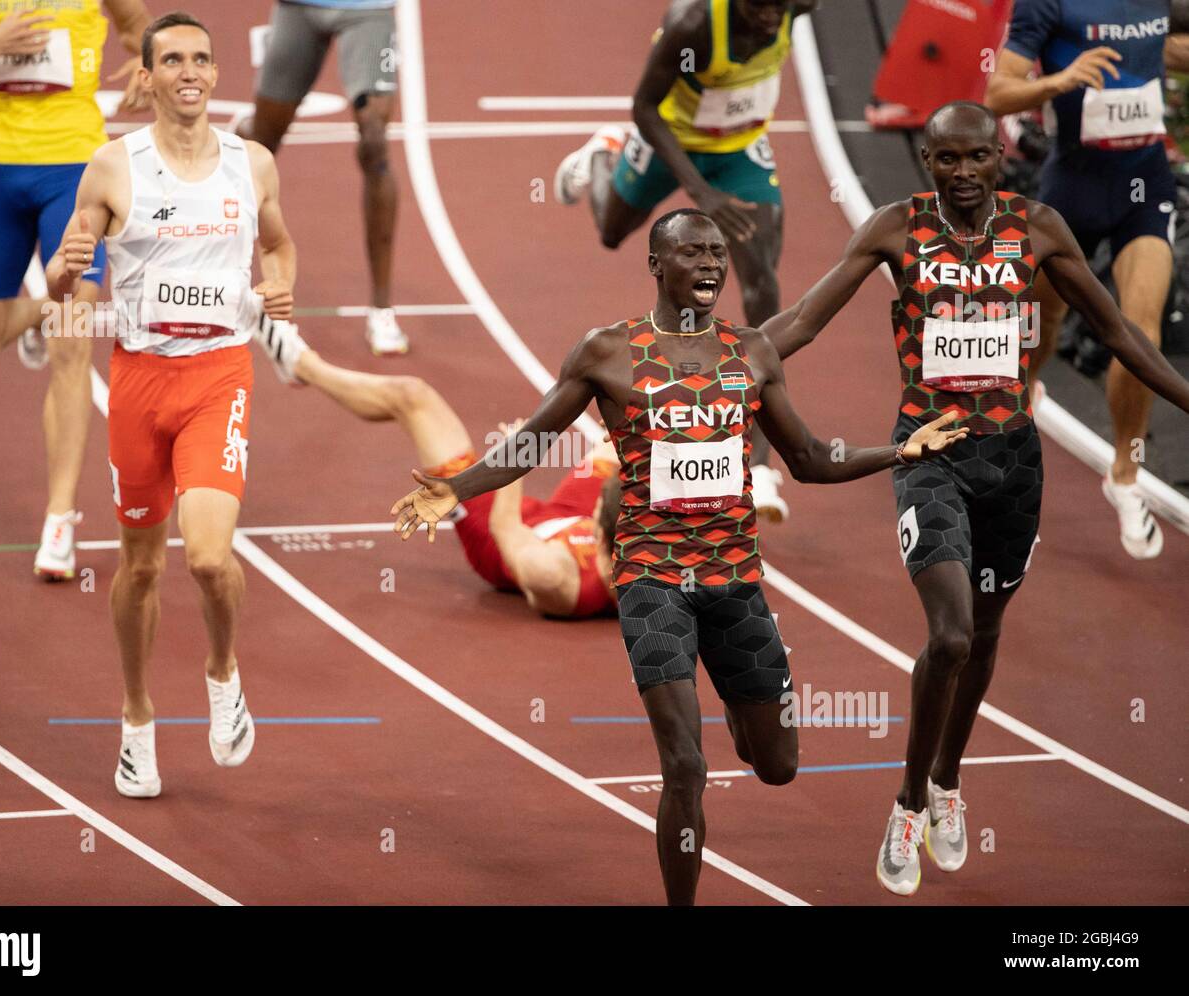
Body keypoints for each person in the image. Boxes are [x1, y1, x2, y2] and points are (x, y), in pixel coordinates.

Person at [390, 208, 967, 905]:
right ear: (656, 266)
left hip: (735, 581)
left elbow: (811, 460)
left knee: (776, 763)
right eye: (693, 252)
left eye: (717, 253)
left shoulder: (752, 352)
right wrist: (455, 488)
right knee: (686, 767)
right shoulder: (607, 352)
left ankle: (739, 701)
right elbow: (533, 441)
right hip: (651, 580)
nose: (711, 264)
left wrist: (900, 451)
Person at [760, 101, 1189, 896]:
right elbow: (806, 320)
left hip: (1014, 465)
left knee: (984, 633)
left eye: (977, 157)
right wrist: (726, 363)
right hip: (930, 456)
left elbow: (1120, 333)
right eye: (947, 158)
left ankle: (949, 779)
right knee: (950, 634)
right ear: (926, 160)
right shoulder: (896, 228)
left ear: (1001, 156)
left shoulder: (1039, 228)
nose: (963, 173)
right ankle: (908, 801)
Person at [45, 11, 298, 798]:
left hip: (218, 378)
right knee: (142, 567)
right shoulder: (112, 167)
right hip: (138, 383)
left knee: (211, 558)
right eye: (174, 60)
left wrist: (282, 283)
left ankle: (222, 672)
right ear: (148, 76)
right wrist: (67, 267)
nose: (190, 72)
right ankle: (136, 719)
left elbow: (279, 244)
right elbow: (61, 280)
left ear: (216, 74)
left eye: (201, 59)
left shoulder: (252, 164)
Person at [554, 0, 818, 524]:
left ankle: (761, 465)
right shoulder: (693, 23)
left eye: (779, 7)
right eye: (759, 7)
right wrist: (701, 192)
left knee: (762, 285)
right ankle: (603, 152)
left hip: (739, 151)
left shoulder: (794, 5)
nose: (771, 17)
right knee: (611, 232)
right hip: (670, 139)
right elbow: (644, 107)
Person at [0, 0, 151, 580]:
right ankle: (49, 311)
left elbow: (136, 25)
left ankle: (59, 520)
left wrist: (147, 63)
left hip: (74, 172)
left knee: (72, 344)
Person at [985, 0, 1189, 559]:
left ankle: (1125, 474)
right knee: (1042, 321)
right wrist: (1062, 79)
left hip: (1143, 188)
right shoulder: (1050, 4)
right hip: (1072, 189)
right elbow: (997, 93)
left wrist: (1157, 53)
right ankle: (1022, 396)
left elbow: (1167, 48)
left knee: (1139, 330)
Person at [254, 321, 620, 618]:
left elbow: (505, 528)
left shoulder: (554, 576)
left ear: (600, 520)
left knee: (412, 397)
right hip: (570, 516)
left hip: (502, 528)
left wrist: (512, 456)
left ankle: (300, 363)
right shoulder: (644, 554)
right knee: (624, 432)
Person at [236, 0, 405, 355]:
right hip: (299, 7)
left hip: (367, 9)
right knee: (262, 141)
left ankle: (381, 309)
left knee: (375, 141)